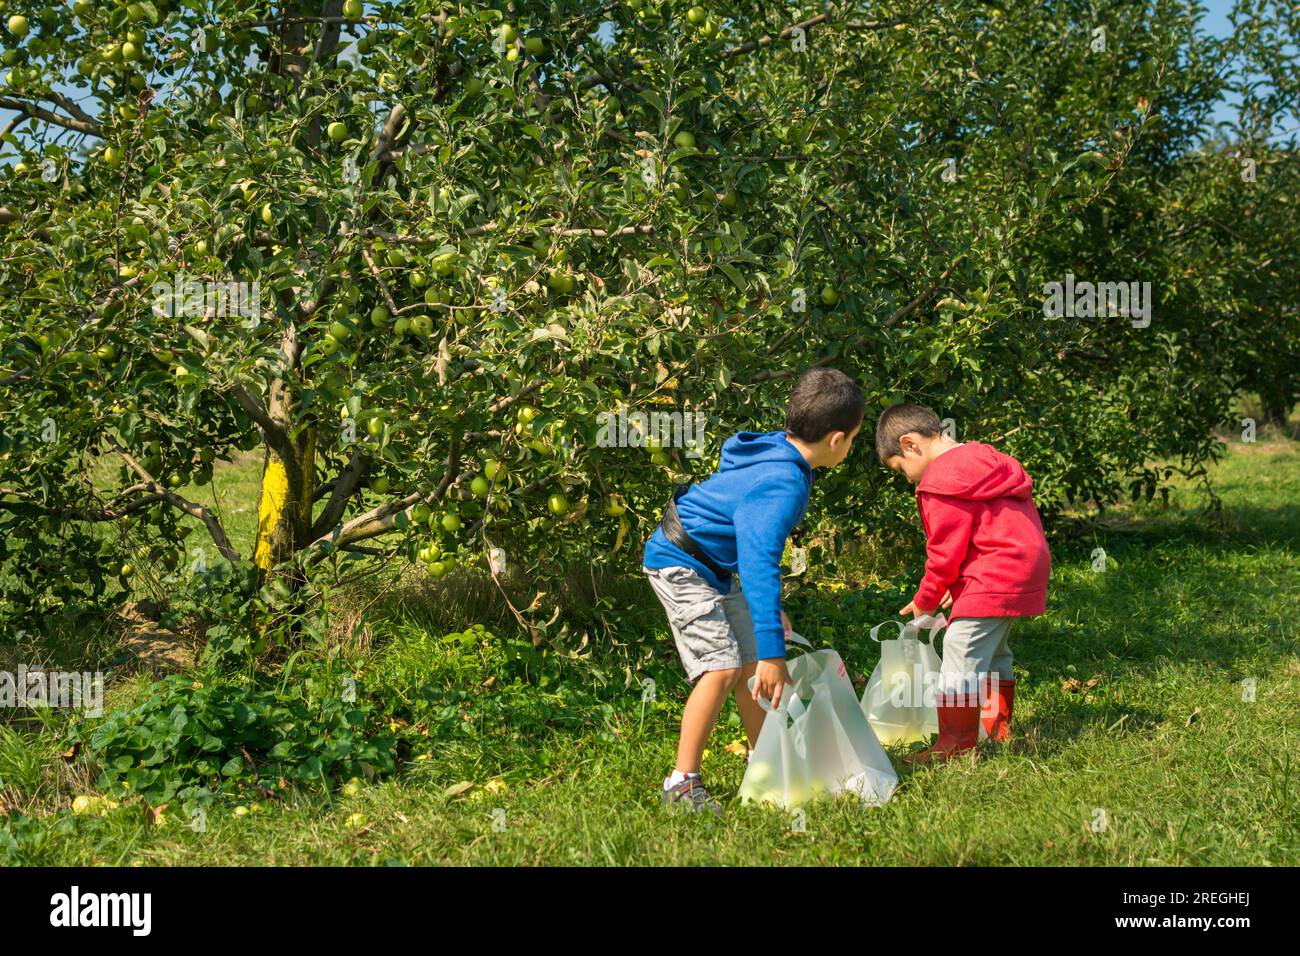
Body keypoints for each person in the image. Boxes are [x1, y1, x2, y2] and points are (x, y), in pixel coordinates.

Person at [643, 368, 864, 814]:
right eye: (856, 439)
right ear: (837, 440)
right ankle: (682, 782)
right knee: (723, 669)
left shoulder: (775, 448)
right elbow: (759, 563)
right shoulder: (784, 484)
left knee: (750, 668)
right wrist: (774, 653)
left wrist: (766, 628)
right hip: (679, 564)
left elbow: (742, 530)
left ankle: (766, 761)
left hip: (710, 566)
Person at [876, 403, 1051, 763]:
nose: (908, 478)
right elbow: (984, 532)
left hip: (996, 572)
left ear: (910, 444)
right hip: (1024, 565)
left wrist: (926, 598)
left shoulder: (940, 482)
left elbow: (944, 553)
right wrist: (954, 588)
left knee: (960, 650)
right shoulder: (986, 459)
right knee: (995, 651)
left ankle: (955, 743)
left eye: (901, 469)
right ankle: (996, 730)